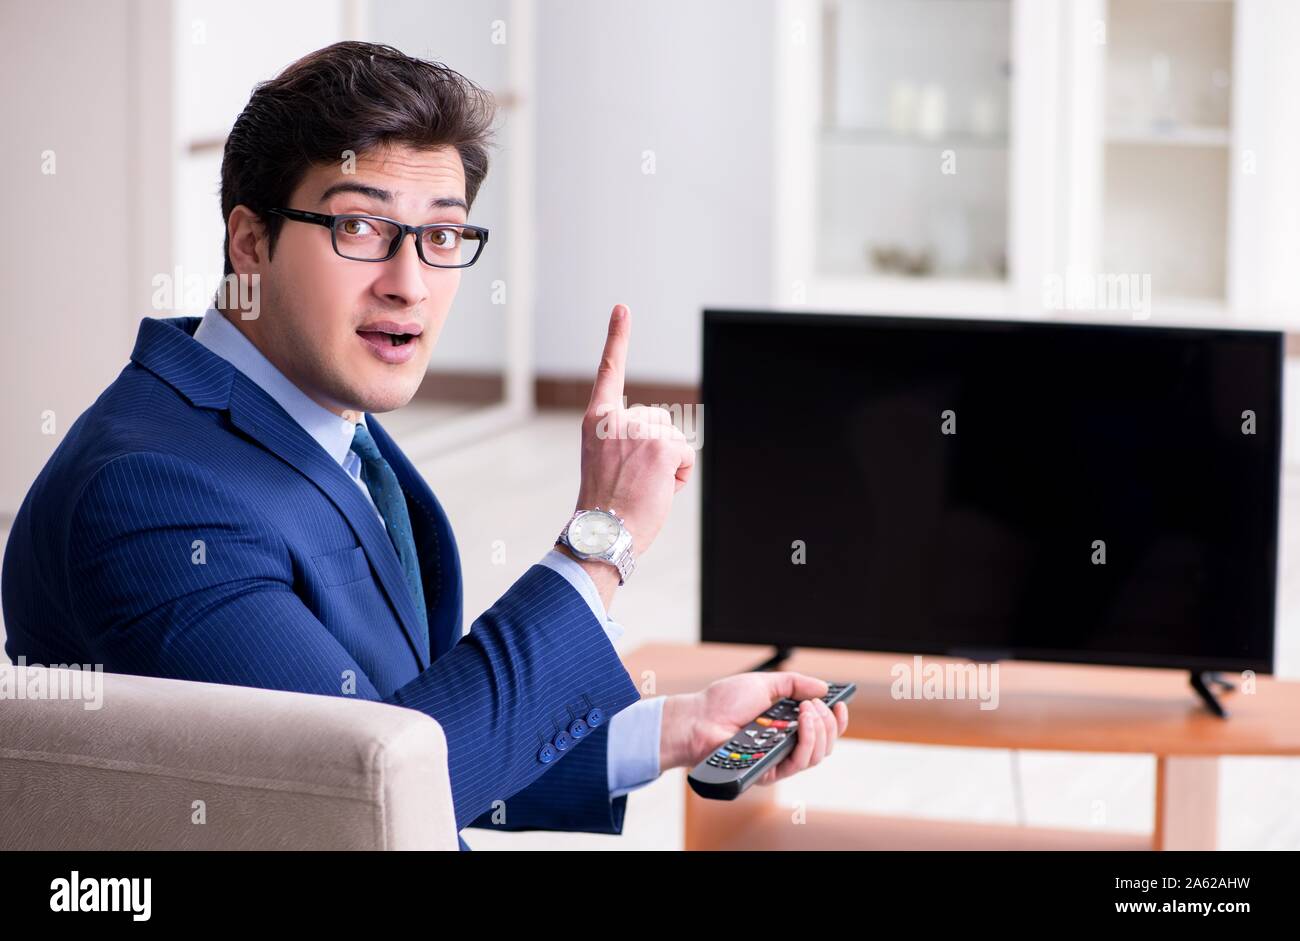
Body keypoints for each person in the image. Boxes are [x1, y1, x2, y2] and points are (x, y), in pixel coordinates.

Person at [1, 41, 847, 849]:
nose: (408, 283)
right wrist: (601, 541)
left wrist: (668, 729)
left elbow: (411, 729)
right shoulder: (150, 493)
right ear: (250, 241)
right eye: (361, 229)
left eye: (440, 236)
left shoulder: (326, 421)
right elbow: (351, 801)